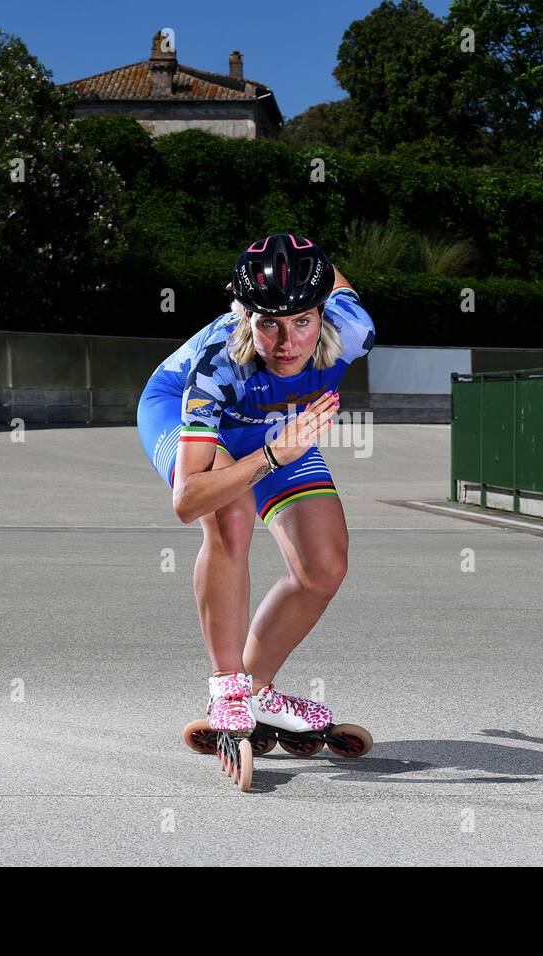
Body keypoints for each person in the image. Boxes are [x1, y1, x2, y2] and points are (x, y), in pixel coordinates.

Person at [137, 233, 375, 742]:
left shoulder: (353, 330)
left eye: (302, 322)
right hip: (193, 417)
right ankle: (227, 686)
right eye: (268, 323)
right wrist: (271, 456)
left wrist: (277, 449)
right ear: (245, 314)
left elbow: (331, 274)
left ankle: (257, 690)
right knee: (231, 515)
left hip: (275, 426)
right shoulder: (217, 364)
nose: (287, 344)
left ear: (322, 312)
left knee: (324, 565)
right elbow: (187, 502)